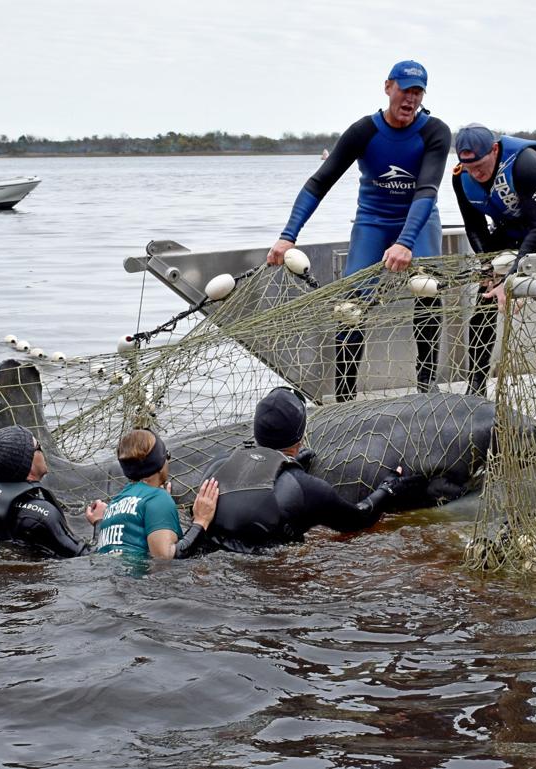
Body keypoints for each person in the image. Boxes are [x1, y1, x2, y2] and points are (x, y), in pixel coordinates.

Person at [266, 60, 453, 402]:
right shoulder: (363, 131)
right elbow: (319, 182)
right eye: (404, 90)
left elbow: (427, 190)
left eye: (417, 92)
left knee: (427, 290)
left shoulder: (435, 132)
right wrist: (288, 235)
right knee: (349, 309)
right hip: (373, 220)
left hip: (419, 220)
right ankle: (345, 398)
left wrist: (406, 242)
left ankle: (427, 389)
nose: (410, 99)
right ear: (387, 87)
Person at [450, 123, 536, 403]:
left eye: (480, 165)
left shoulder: (524, 162)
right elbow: (475, 229)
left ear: (494, 150)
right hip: (512, 227)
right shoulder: (461, 178)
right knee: (487, 297)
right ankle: (476, 385)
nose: (476, 174)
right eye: (469, 168)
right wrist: (491, 269)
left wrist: (512, 277)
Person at [199, 387, 423, 553]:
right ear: (300, 436)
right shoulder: (306, 488)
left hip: (213, 557)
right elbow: (359, 519)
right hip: (272, 572)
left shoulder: (218, 464)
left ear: (256, 431)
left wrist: (293, 464)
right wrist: (389, 488)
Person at [0, 425, 101, 558]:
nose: (43, 452)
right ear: (28, 460)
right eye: (39, 447)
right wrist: (100, 522)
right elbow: (91, 556)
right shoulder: (42, 513)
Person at [95, 428, 219, 560]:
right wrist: (201, 521)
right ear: (159, 464)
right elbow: (165, 558)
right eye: (167, 455)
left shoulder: (114, 503)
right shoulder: (157, 499)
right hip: (140, 578)